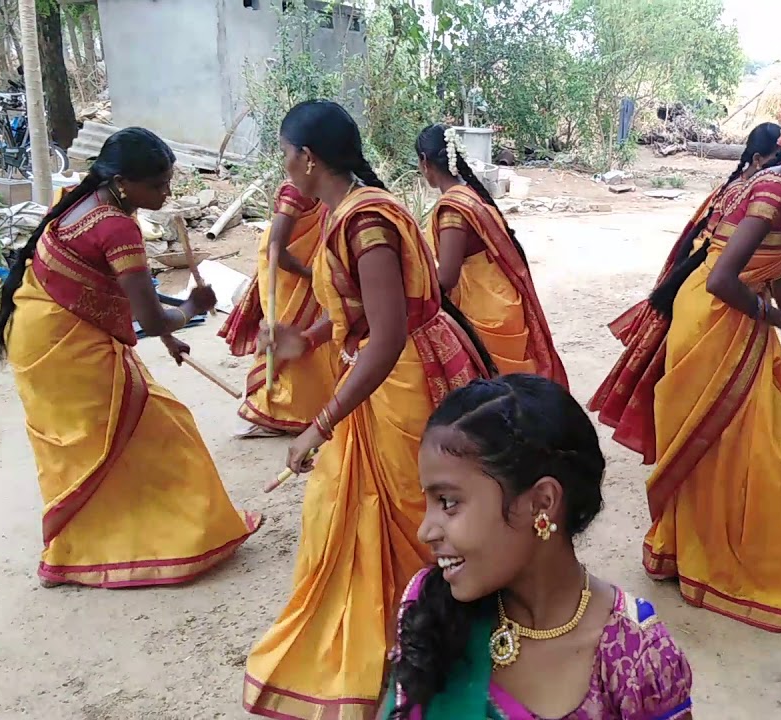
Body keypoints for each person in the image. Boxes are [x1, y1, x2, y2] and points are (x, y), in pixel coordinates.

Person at [243, 100, 495, 719]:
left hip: (400, 379)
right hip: (393, 369)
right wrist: (307, 338)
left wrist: (319, 426)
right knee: (356, 505)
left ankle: (430, 632)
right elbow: (361, 308)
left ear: (307, 159)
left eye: (284, 153)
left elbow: (385, 336)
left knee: (411, 505)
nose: (284, 165)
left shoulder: (364, 220)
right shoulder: (353, 212)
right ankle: (407, 624)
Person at [620, 89, 781, 632]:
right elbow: (724, 278)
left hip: (748, 316)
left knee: (750, 450)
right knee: (735, 450)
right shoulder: (774, 190)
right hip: (712, 319)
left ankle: (721, 558)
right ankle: (714, 563)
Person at [0, 128, 261, 588]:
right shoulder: (118, 227)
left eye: (168, 181)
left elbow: (113, 289)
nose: (166, 193)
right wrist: (191, 309)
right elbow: (151, 319)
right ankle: (174, 540)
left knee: (111, 440)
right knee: (164, 429)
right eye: (157, 185)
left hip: (43, 333)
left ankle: (93, 547)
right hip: (66, 346)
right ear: (121, 181)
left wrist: (171, 334)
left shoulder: (84, 199)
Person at [380, 374, 693, 719]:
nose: (425, 531)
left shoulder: (634, 660)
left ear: (542, 503)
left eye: (448, 502)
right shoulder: (432, 609)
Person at [589, 122, 781, 459]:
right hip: (714, 295)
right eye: (773, 164)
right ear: (756, 160)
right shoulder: (753, 195)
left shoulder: (740, 188)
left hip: (702, 285)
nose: (778, 174)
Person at [416, 124, 567, 386]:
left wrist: (414, 298)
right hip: (499, 299)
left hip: (482, 310)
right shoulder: (472, 195)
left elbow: (447, 278)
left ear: (424, 162)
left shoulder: (452, 209)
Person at [219, 179, 338, 438]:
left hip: (306, 272)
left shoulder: (326, 186)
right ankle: (274, 411)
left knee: (312, 343)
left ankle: (311, 406)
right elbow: (276, 248)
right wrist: (311, 274)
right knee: (289, 337)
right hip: (289, 276)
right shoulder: (296, 190)